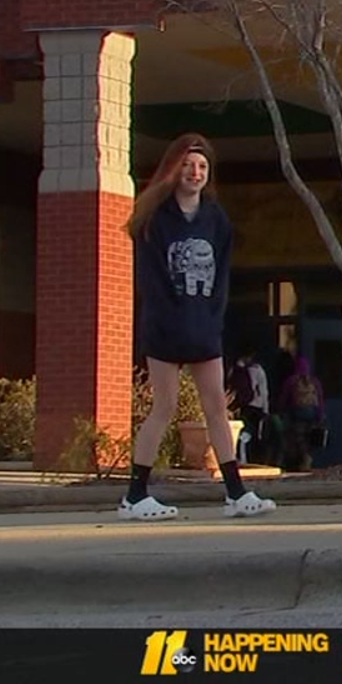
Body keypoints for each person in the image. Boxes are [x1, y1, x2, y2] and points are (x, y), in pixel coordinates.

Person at [120, 134, 275, 521]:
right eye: (188, 165)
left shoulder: (215, 218)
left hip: (203, 327)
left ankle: (236, 492)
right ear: (175, 169)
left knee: (216, 409)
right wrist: (172, 318)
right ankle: (135, 496)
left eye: (202, 167)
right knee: (165, 406)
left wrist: (211, 319)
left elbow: (221, 277)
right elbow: (152, 279)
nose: (195, 172)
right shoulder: (155, 219)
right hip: (165, 328)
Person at [277, 357, 324, 472]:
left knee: (298, 438)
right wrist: (320, 415)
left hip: (297, 414)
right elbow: (320, 400)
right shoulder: (314, 381)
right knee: (310, 439)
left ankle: (300, 460)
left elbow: (284, 398)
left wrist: (281, 411)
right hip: (312, 414)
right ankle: (306, 460)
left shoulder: (291, 381)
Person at [228, 346, 270, 463]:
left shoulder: (235, 369)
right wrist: (266, 410)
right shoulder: (257, 370)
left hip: (240, 406)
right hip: (256, 407)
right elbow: (263, 391)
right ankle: (252, 459)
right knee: (254, 435)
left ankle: (242, 458)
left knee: (242, 434)